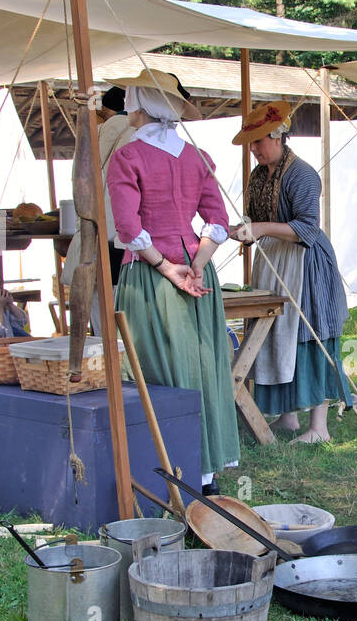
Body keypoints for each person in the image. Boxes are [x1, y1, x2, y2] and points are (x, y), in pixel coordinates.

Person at [106, 70, 238, 494]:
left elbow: (128, 228)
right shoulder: (196, 157)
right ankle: (205, 473)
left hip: (151, 278)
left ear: (138, 104)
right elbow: (218, 222)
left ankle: (168, 471)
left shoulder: (127, 157)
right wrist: (196, 263)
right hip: (197, 275)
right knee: (202, 367)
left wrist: (167, 268)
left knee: (156, 372)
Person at [232, 102, 351, 444]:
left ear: (277, 137)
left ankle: (319, 427)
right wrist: (240, 229)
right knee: (279, 334)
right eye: (251, 143)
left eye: (257, 141)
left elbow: (307, 229)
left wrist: (260, 228)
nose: (253, 149)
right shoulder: (258, 176)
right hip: (274, 260)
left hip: (306, 263)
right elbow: (254, 218)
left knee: (310, 335)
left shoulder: (303, 175)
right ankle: (288, 416)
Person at [62, 84, 139, 336]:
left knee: (100, 325)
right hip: (122, 240)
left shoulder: (91, 136)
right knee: (126, 325)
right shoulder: (136, 134)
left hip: (91, 236)